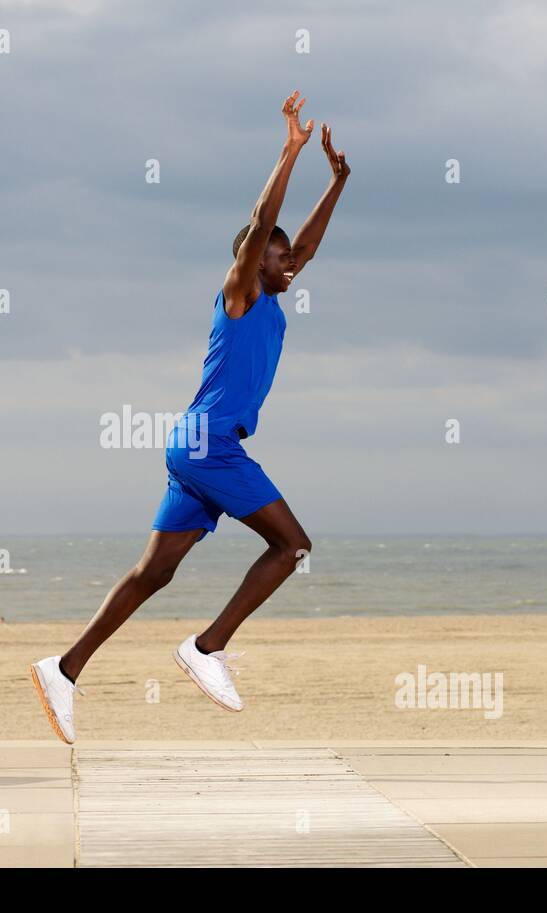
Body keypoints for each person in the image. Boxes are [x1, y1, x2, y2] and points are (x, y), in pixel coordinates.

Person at [31, 90, 350, 743]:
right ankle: (207, 647)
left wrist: (338, 181)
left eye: (291, 258)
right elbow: (264, 219)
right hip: (210, 447)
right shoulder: (238, 292)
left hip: (193, 446)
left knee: (155, 572)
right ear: (253, 257)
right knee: (292, 546)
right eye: (278, 254)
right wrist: (289, 152)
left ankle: (63, 669)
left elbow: (305, 245)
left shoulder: (273, 298)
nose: (289, 262)